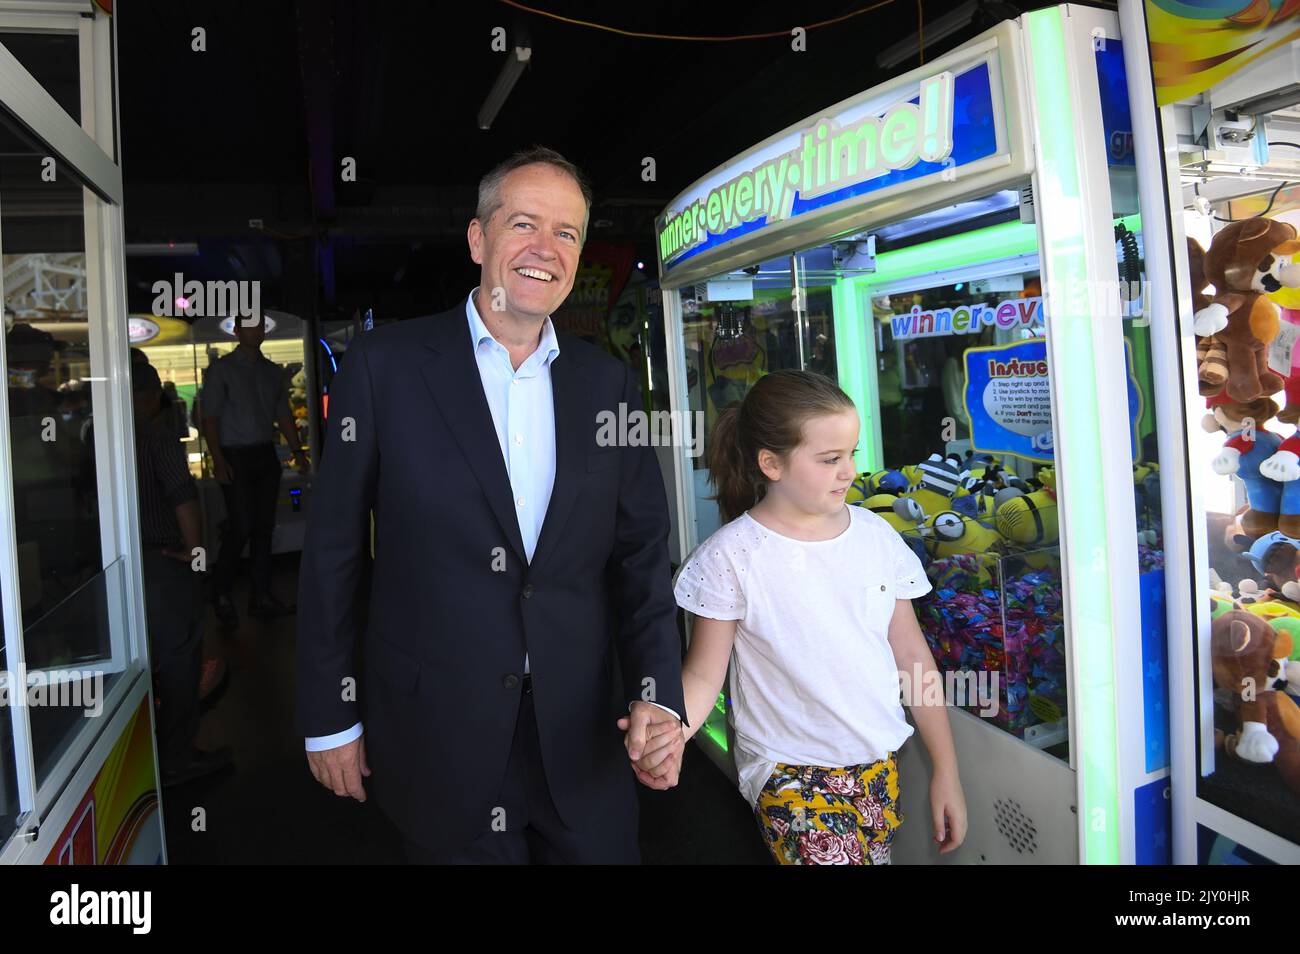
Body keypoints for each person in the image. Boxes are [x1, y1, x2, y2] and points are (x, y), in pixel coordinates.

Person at [296, 146, 687, 864]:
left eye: (567, 232)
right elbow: (334, 552)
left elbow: (640, 556)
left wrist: (659, 697)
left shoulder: (608, 385)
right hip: (435, 731)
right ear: (479, 239)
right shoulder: (385, 369)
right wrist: (329, 717)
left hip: (585, 734)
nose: (546, 249)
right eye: (524, 224)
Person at [632, 369, 968, 864]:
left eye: (851, 454)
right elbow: (705, 673)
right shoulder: (733, 556)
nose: (849, 471)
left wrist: (947, 769)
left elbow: (913, 658)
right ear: (771, 463)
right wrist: (673, 732)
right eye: (830, 459)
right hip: (788, 773)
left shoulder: (878, 538)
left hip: (878, 764)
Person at [133, 360, 232, 786]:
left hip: (123, 564)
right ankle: (176, 757)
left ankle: (147, 755)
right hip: (163, 562)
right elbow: (183, 500)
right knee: (180, 660)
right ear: (153, 393)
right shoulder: (159, 439)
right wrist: (197, 559)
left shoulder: (103, 439)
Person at [200, 312, 309, 626]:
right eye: (251, 325)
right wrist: (219, 459)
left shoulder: (271, 371)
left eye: (261, 325)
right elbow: (210, 419)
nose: (258, 330)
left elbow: (283, 414)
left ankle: (258, 596)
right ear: (237, 331)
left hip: (263, 453)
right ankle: (222, 592)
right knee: (243, 526)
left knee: (262, 528)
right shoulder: (222, 370)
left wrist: (298, 452)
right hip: (236, 455)